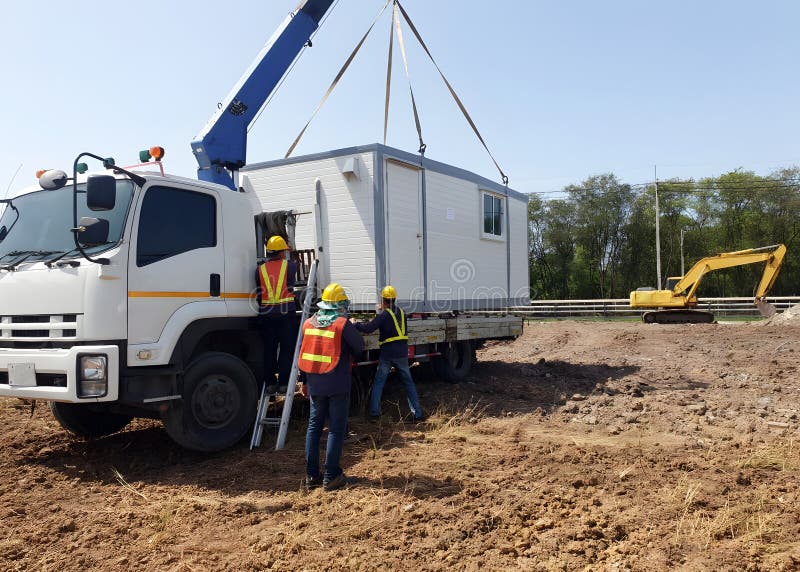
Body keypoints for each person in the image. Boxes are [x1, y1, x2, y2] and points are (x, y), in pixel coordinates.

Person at [298, 282, 364, 491]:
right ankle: (331, 476)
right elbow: (359, 347)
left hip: (315, 383)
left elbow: (304, 353)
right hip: (337, 383)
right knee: (336, 429)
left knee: (314, 428)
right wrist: (352, 326)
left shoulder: (308, 323)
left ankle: (311, 476)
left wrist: (304, 382)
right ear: (340, 305)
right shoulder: (342, 324)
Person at [355, 285, 424, 422]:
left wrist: (355, 324)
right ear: (394, 299)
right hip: (402, 353)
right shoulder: (402, 312)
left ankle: (374, 414)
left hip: (388, 354)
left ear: (383, 300)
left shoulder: (384, 315)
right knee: (408, 383)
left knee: (379, 382)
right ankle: (417, 414)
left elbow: (368, 328)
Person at [256, 235, 298, 394]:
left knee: (269, 349)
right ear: (281, 252)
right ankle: (284, 384)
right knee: (286, 349)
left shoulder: (259, 270)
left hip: (266, 315)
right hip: (286, 314)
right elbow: (292, 276)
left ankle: (270, 383)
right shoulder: (290, 266)